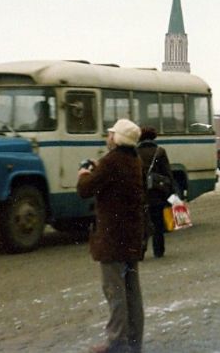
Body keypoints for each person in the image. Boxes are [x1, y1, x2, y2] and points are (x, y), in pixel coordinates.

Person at [77, 118, 145, 353]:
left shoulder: (111, 162)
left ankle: (117, 342)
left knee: (115, 291)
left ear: (117, 139)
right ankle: (134, 339)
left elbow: (85, 189)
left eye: (111, 134)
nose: (108, 137)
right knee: (131, 291)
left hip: (112, 238)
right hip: (132, 236)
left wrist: (84, 172)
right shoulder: (133, 160)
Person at [136, 126, 176, 259]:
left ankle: (140, 251)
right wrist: (172, 194)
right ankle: (159, 251)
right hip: (157, 192)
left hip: (140, 193)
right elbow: (167, 173)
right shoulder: (160, 151)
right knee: (158, 222)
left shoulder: (135, 152)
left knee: (141, 222)